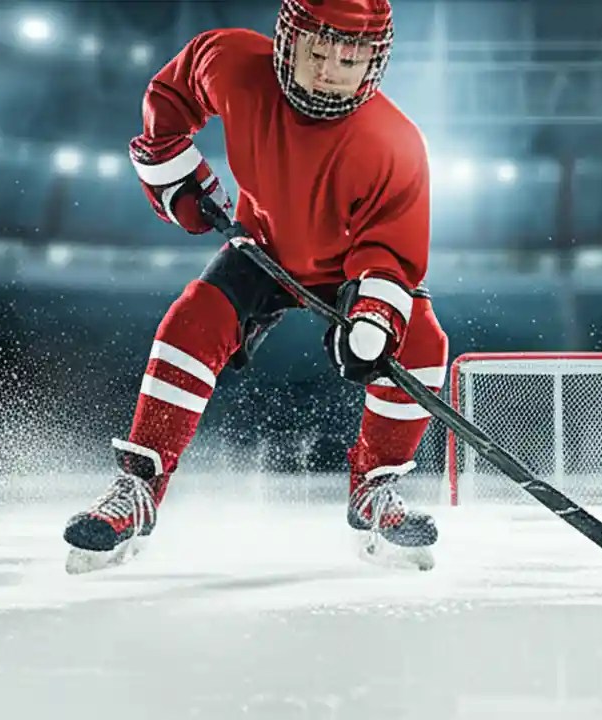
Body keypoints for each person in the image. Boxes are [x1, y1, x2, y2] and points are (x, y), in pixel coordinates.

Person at [62, 0, 447, 572]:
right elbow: (172, 95)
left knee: (422, 344)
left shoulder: (397, 144)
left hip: (352, 270)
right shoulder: (234, 63)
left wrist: (374, 317)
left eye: (346, 57)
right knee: (193, 319)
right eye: (316, 51)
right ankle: (139, 486)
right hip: (261, 248)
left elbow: (390, 250)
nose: (326, 70)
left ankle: (375, 486)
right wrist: (174, 171)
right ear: (287, 42)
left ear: (372, 62)